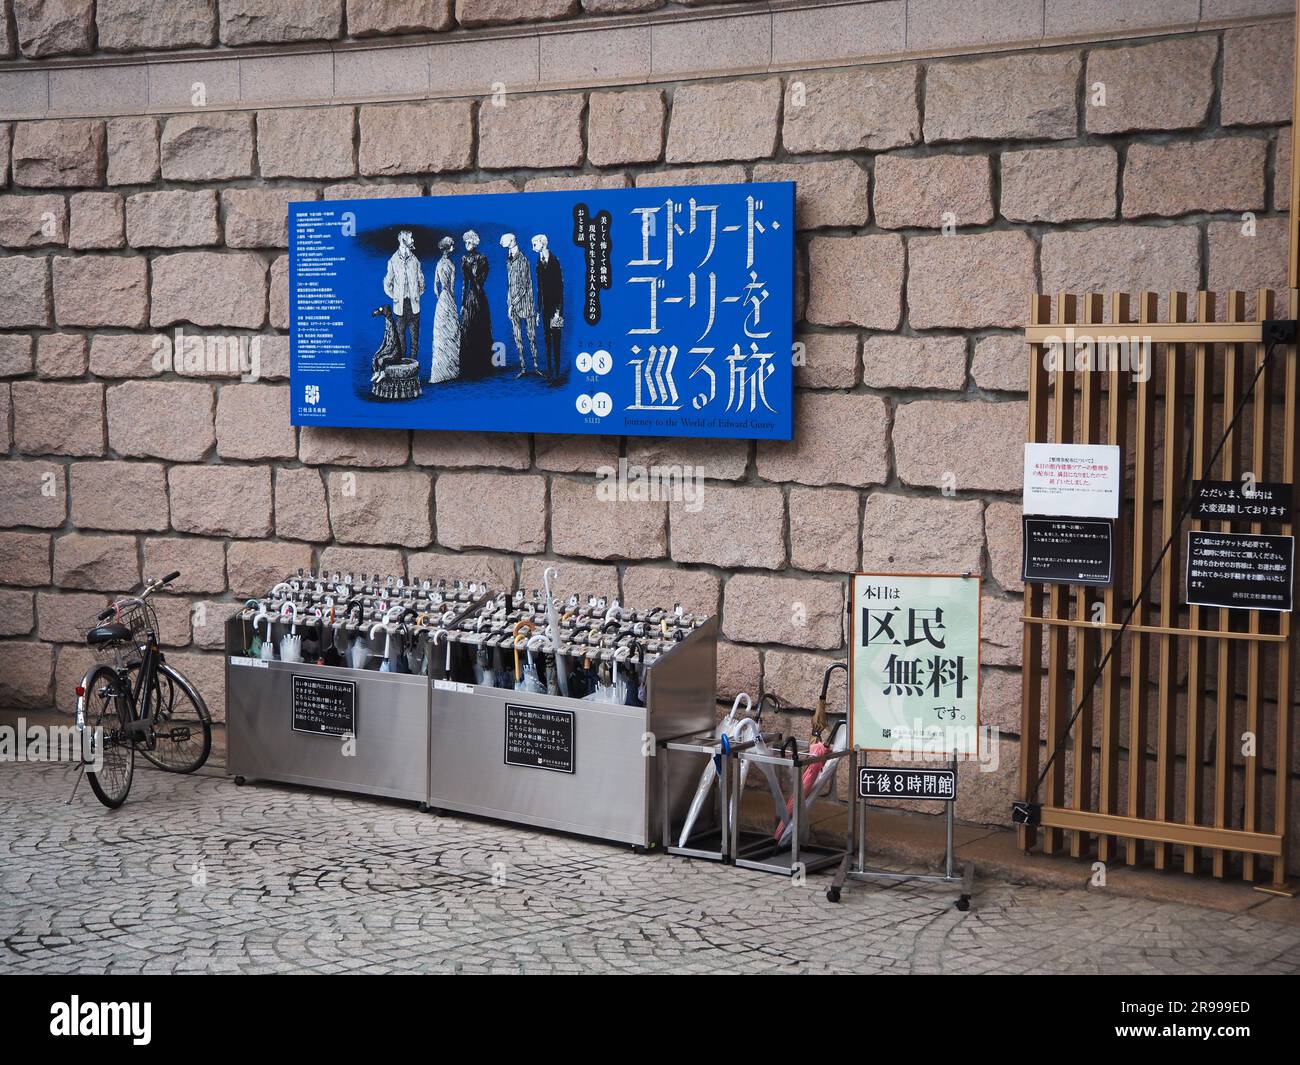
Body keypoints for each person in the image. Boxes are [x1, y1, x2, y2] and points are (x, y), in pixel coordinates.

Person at [500, 232, 540, 378]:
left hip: (526, 305)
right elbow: (510, 285)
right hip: (514, 306)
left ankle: (535, 367)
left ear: (512, 240)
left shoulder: (523, 260)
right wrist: (508, 302)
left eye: (504, 239)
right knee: (517, 338)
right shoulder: (508, 259)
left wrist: (512, 304)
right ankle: (523, 368)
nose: (501, 242)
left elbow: (523, 287)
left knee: (531, 337)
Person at [383, 229, 423, 364]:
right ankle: (401, 368)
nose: (413, 241)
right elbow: (387, 283)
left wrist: (416, 295)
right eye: (411, 238)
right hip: (400, 306)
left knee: (414, 339)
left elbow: (421, 282)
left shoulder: (415, 260)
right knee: (400, 340)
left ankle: (413, 368)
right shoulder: (393, 260)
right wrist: (394, 296)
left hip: (414, 305)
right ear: (404, 240)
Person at [458, 229, 493, 379]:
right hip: (468, 298)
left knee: (480, 327)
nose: (467, 244)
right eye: (465, 242)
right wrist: (462, 303)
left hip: (478, 297)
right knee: (467, 329)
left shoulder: (482, 259)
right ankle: (468, 366)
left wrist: (470, 269)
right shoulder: (464, 259)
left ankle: (483, 365)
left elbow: (479, 281)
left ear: (475, 242)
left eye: (469, 242)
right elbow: (464, 284)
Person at [429, 236, 461, 384]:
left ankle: (441, 371)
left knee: (442, 332)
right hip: (448, 297)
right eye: (452, 246)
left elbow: (435, 286)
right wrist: (450, 297)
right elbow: (452, 286)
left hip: (441, 299)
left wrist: (440, 296)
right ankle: (451, 370)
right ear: (449, 248)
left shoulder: (438, 264)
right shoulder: (451, 264)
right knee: (452, 331)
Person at [532, 234, 563, 380]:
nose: (533, 247)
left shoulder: (555, 261)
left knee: (556, 338)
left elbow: (560, 288)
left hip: (557, 309)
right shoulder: (538, 262)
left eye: (535, 244)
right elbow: (539, 289)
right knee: (547, 339)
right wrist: (538, 311)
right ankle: (550, 373)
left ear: (543, 244)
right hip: (544, 308)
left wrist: (557, 311)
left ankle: (557, 372)